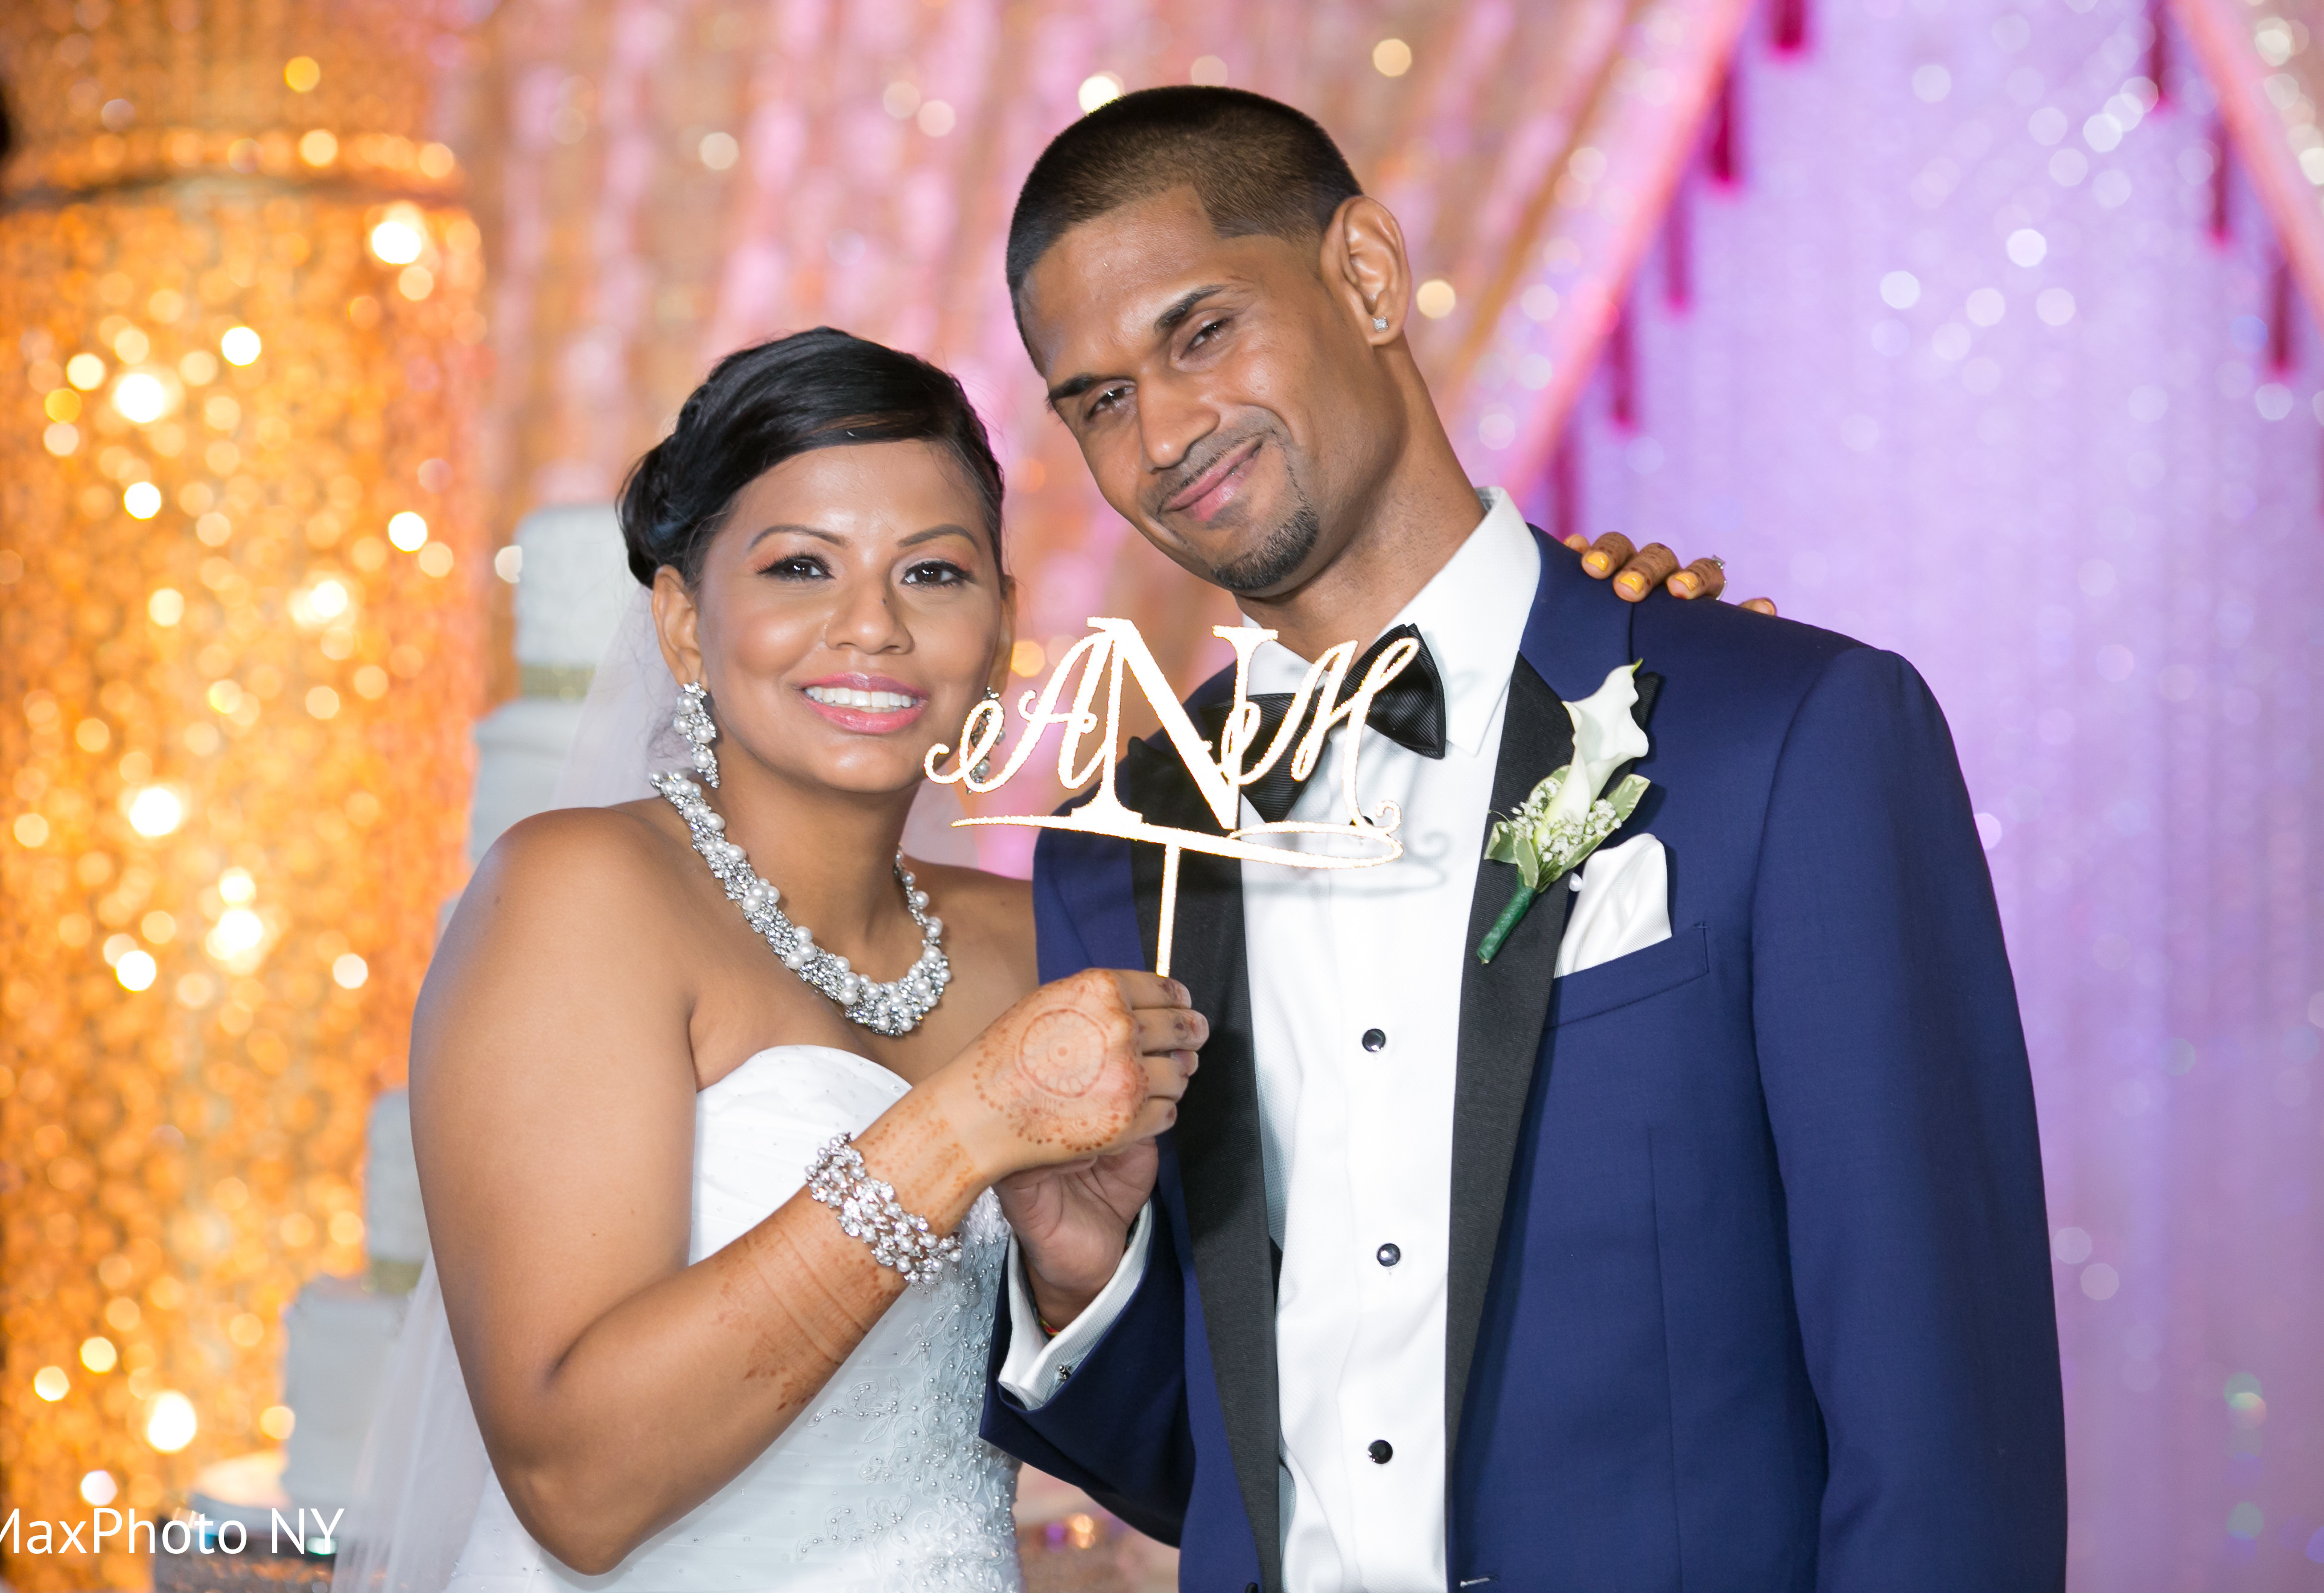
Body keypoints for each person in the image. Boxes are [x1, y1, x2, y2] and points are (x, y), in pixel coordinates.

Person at [333, 326, 1721, 1592]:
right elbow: (579, 1486)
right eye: (799, 566)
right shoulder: (581, 894)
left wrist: (1575, 640)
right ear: (686, 624)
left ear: (1000, 626)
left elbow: (1210, 1423)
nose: (872, 625)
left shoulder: (1041, 929)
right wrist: (959, 1131)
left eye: (931, 572)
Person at [982, 87, 2066, 1593]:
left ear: (1365, 273)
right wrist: (1081, 1272)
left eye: (1202, 332)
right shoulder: (1116, 856)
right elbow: (1212, 1460)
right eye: (1096, 398)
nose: (1161, 432)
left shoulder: (1785, 736)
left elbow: (1942, 1413)